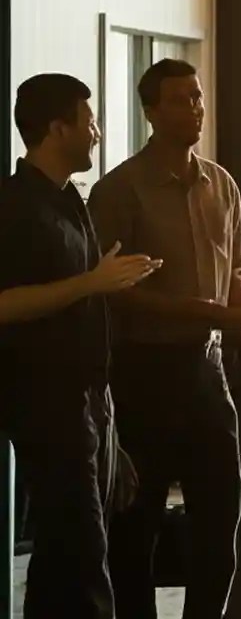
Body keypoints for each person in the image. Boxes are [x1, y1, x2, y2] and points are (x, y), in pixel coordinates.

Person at [87, 59, 241, 619]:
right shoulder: (120, 191)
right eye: (179, 100)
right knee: (135, 529)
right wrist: (198, 310)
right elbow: (109, 292)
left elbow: (235, 267)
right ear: (151, 112)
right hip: (144, 373)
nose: (194, 108)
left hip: (208, 373)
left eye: (197, 96)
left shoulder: (222, 184)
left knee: (221, 515)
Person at [0, 73, 159, 618]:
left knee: (64, 554)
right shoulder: (17, 206)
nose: (96, 133)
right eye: (88, 122)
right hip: (44, 402)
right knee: (84, 553)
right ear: (55, 127)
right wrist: (92, 283)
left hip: (88, 399)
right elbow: (5, 304)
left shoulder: (71, 200)